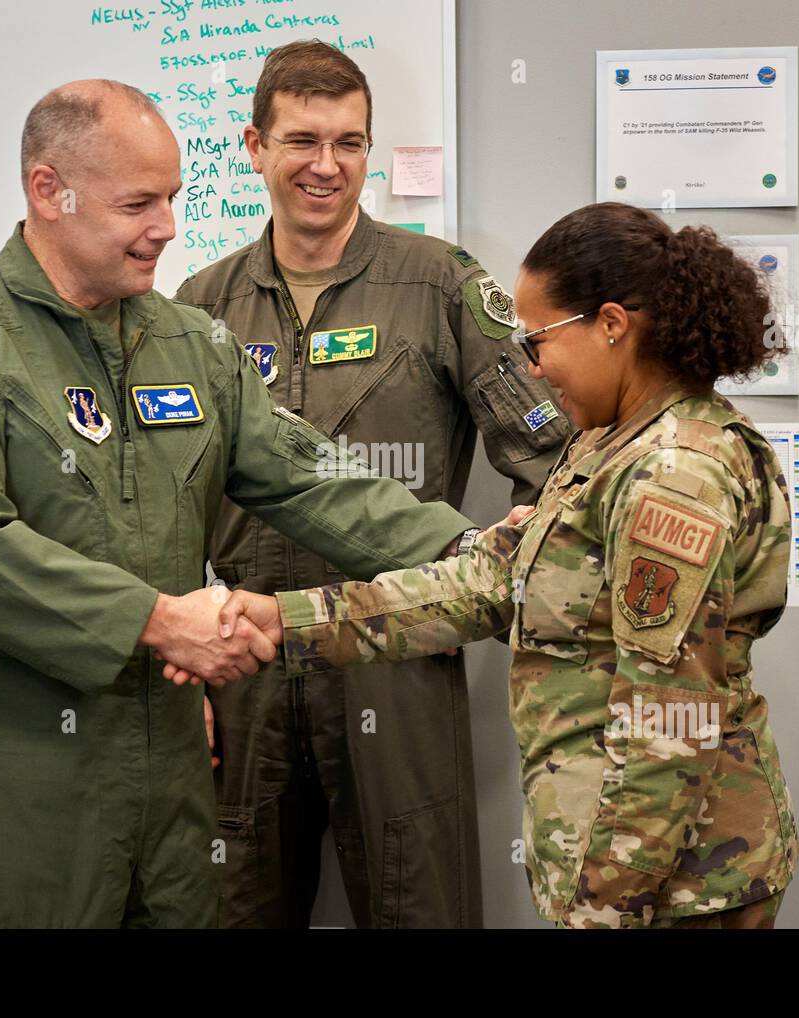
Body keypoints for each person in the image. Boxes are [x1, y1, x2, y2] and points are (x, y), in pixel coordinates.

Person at [0, 80, 481, 928]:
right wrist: (152, 619)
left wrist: (473, 550)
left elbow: (311, 478)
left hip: (172, 794)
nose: (168, 227)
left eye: (174, 197)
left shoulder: (189, 343)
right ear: (49, 191)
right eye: (137, 203)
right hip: (13, 795)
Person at [201, 202, 799, 928]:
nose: (529, 365)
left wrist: (602, 908)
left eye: (538, 339)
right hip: (617, 868)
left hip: (670, 890)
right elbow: (484, 584)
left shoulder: (671, 477)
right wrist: (283, 620)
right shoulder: (607, 444)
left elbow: (667, 724)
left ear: (611, 324)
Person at [174, 41, 569, 929]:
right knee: (231, 909)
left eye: (350, 143)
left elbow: (556, 468)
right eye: (303, 141)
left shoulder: (440, 285)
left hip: (393, 657)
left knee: (417, 906)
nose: (327, 166)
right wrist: (181, 666)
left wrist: (487, 589)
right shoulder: (198, 306)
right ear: (254, 146)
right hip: (243, 664)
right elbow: (164, 500)